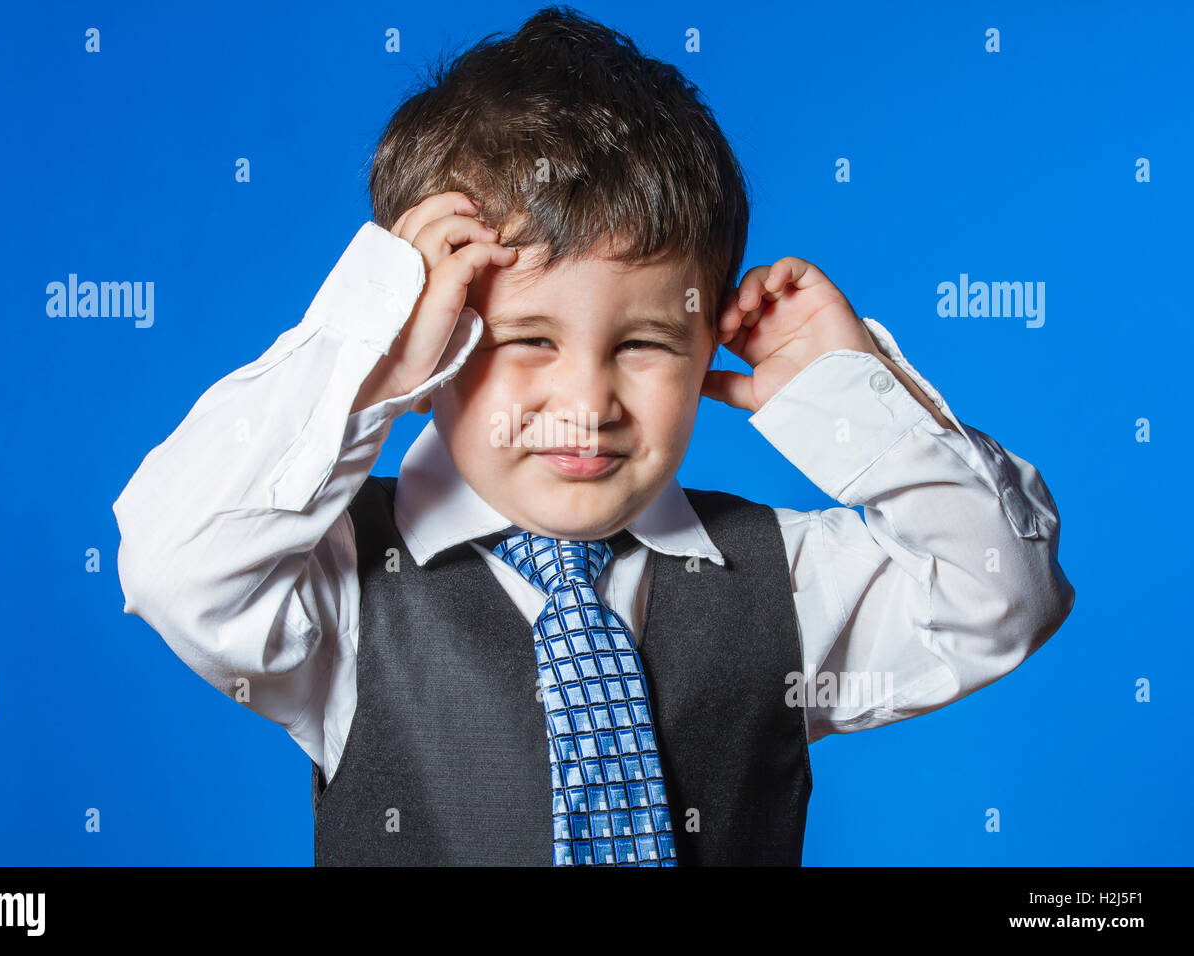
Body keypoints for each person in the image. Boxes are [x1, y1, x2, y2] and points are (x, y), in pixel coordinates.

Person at [111, 6, 1074, 866]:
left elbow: (1002, 597)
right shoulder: (341, 588)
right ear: (433, 339)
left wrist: (849, 394)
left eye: (646, 342)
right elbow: (173, 566)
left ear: (707, 348)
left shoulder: (780, 583)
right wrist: (364, 351)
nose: (588, 398)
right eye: (530, 338)